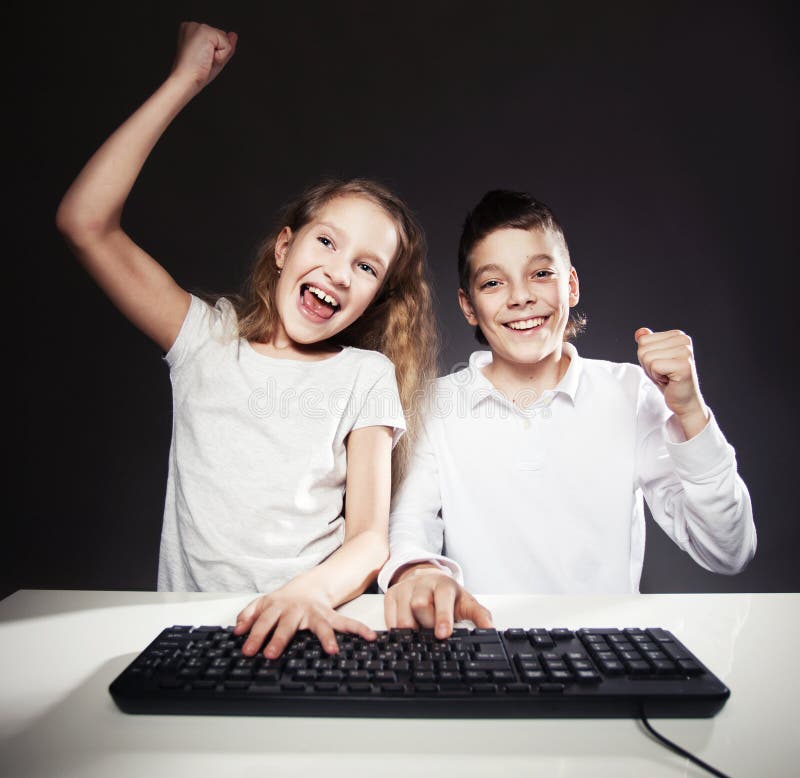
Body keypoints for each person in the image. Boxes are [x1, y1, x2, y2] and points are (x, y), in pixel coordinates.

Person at [56, 22, 438, 658]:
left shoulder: (364, 375)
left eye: (367, 268)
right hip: (192, 636)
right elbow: (84, 222)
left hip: (317, 630)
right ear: (285, 248)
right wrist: (184, 82)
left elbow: (370, 537)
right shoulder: (204, 339)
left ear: (377, 296)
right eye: (326, 241)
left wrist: (305, 596)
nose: (340, 273)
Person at [379, 189, 756, 637]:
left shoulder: (630, 393)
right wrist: (418, 573)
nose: (520, 297)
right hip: (482, 648)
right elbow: (409, 527)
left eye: (540, 273)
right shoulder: (434, 405)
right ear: (468, 307)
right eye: (494, 282)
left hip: (608, 651)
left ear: (571, 285)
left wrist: (690, 410)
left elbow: (728, 552)